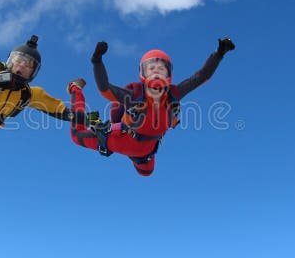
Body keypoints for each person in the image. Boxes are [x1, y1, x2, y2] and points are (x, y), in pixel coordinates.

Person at [67, 37, 235, 176]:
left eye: (161, 68)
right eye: (151, 67)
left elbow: (200, 77)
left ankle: (131, 155)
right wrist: (97, 61)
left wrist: (219, 53)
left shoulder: (173, 94)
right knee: (76, 136)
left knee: (146, 174)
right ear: (143, 73)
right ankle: (75, 89)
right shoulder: (133, 96)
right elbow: (105, 89)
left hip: (146, 152)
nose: (156, 71)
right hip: (118, 140)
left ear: (169, 73)